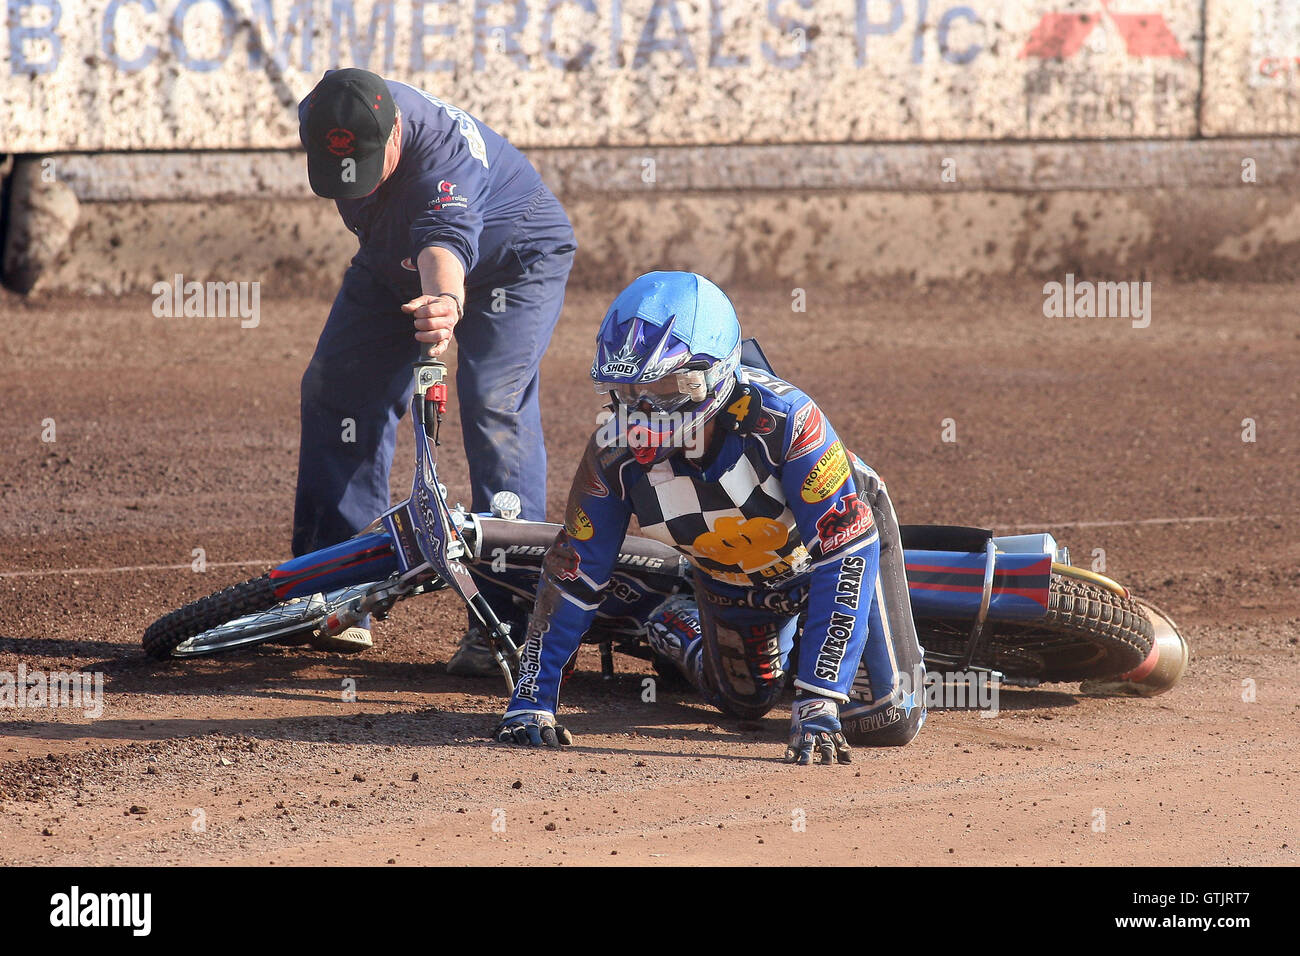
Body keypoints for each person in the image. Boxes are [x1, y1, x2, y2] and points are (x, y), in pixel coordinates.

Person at [494, 272, 926, 763]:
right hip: (727, 574)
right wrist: (532, 699)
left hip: (829, 556)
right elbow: (574, 568)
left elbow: (846, 557)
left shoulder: (788, 423)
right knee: (742, 706)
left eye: (665, 385)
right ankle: (672, 619)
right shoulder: (612, 451)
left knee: (884, 720)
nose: (646, 406)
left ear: (715, 371)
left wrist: (819, 697)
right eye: (630, 389)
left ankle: (830, 658)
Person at [294, 68, 575, 664]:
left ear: (396, 132)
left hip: (513, 260)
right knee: (336, 389)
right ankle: (336, 589)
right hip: (392, 255)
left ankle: (513, 609)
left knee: (492, 400)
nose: (355, 189)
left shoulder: (442, 158)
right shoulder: (323, 114)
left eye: (368, 168)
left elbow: (444, 243)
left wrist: (444, 303)